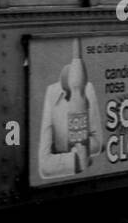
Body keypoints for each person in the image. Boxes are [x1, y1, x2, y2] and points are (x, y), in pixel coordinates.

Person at [38, 38, 103, 179]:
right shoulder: (51, 94)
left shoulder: (88, 90)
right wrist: (75, 160)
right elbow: (44, 166)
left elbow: (98, 143)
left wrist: (83, 149)